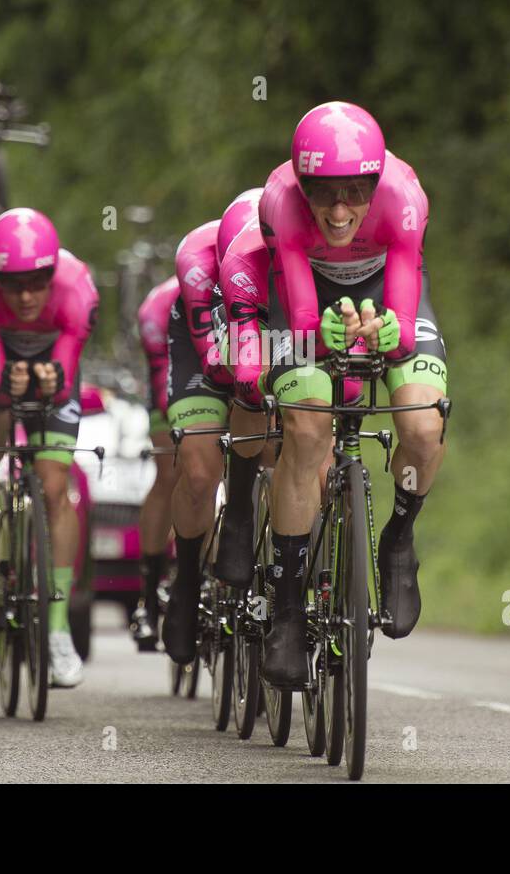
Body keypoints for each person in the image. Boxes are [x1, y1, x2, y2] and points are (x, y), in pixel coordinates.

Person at [258, 101, 448, 688]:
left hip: (386, 287)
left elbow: (404, 313)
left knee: (422, 425)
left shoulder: (404, 197)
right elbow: (300, 315)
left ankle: (399, 537)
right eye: (324, 193)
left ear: (375, 183)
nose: (339, 211)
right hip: (304, 298)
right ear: (302, 184)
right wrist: (323, 335)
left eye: (355, 193)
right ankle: (288, 606)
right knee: (307, 427)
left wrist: (389, 333)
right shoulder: (280, 204)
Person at [0, 207, 98, 688]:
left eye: (37, 282)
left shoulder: (78, 290)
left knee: (55, 488)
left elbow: (63, 383)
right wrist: (2, 388)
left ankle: (57, 629)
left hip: (54, 354)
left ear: (53, 273)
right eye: (14, 285)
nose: (27, 296)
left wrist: (50, 383)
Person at [159, 189, 271, 664]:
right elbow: (215, 364)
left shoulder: (289, 252)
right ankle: (186, 581)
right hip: (202, 348)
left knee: (287, 447)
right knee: (201, 470)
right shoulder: (197, 262)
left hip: (265, 326)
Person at [129, 275, 179, 650]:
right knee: (171, 470)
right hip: (176, 379)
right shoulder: (160, 304)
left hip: (234, 371)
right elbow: (165, 389)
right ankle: (147, 596)